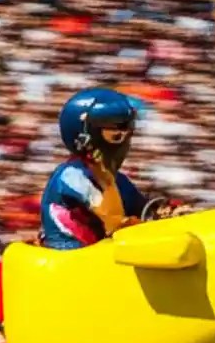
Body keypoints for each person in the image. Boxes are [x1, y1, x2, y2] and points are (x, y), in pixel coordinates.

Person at [39, 87, 148, 249]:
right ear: (85, 135)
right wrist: (107, 183)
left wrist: (169, 212)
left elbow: (144, 208)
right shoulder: (72, 175)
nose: (125, 135)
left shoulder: (118, 180)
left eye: (128, 127)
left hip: (99, 259)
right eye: (116, 128)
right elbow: (116, 224)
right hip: (72, 263)